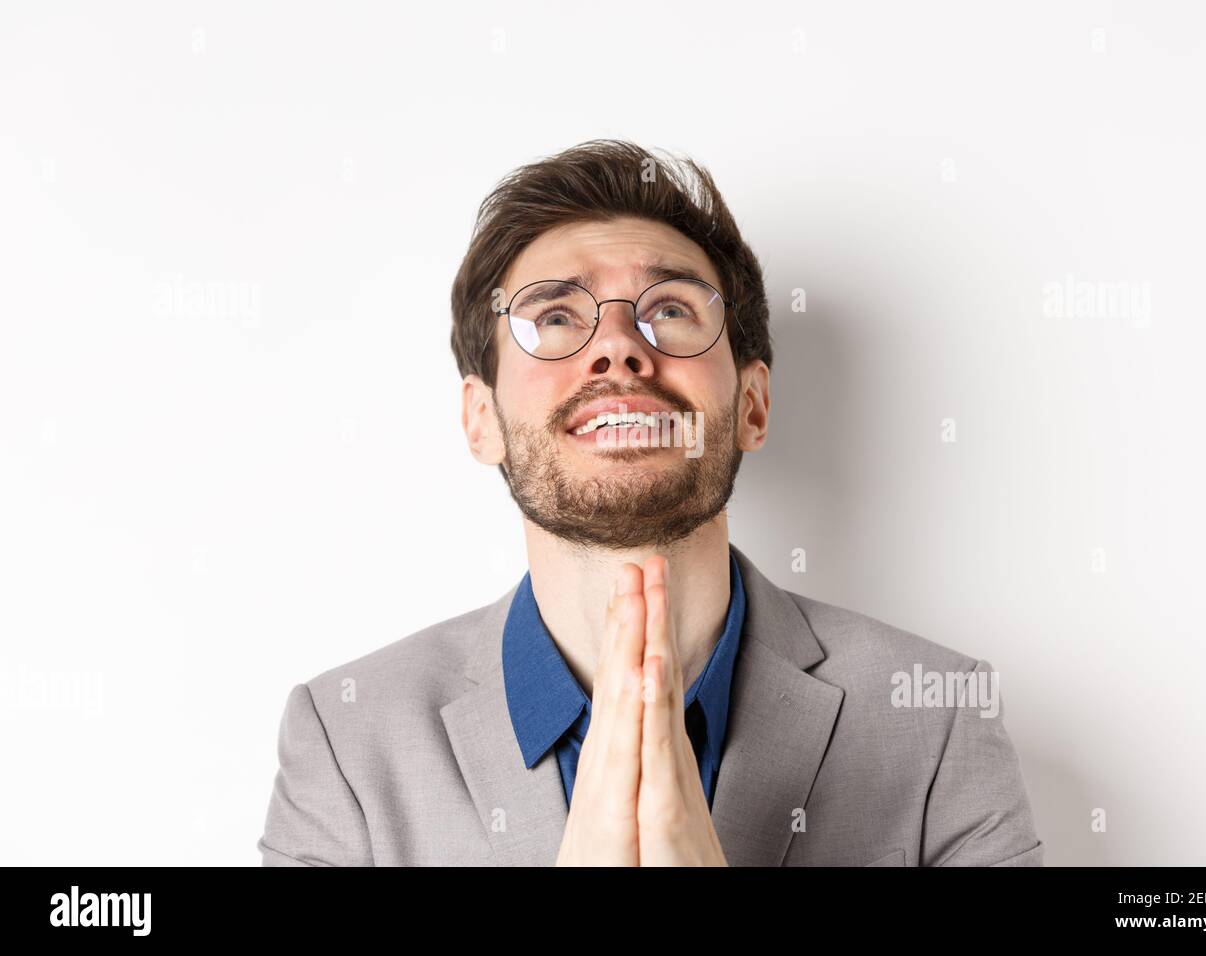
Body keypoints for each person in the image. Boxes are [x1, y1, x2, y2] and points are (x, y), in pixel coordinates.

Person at [256, 139, 1044, 866]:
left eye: (669, 309)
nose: (617, 346)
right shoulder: (347, 745)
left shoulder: (937, 721)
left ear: (753, 406)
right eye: (556, 317)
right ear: (481, 419)